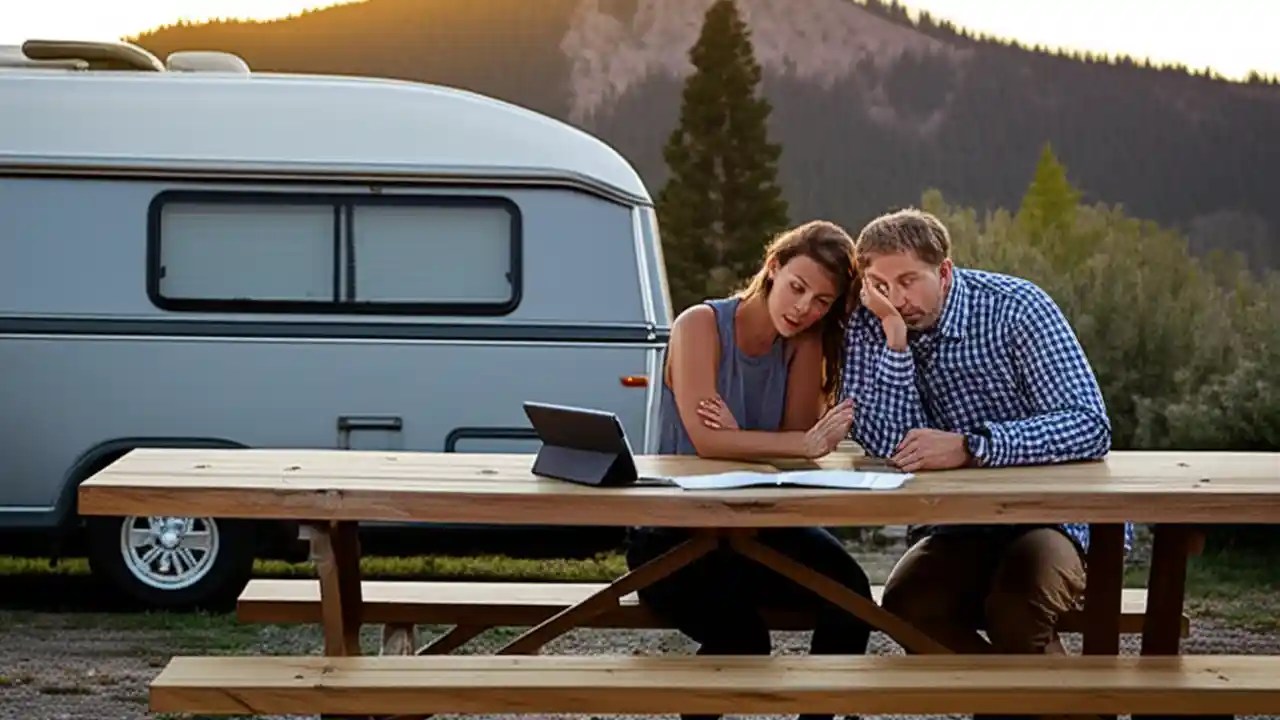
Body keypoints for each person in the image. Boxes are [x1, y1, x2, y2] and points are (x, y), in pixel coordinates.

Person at [840, 207, 1133, 668]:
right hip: (958, 523)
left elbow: (1088, 425)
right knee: (906, 607)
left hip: (1053, 517)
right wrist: (895, 340)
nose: (896, 297)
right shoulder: (871, 323)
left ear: (945, 271)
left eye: (910, 280)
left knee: (1017, 612)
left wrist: (972, 446)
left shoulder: (1017, 307)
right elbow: (891, 446)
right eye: (880, 284)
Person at [625, 219, 874, 720]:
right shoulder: (699, 325)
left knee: (852, 600)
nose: (803, 309)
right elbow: (709, 439)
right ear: (773, 267)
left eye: (822, 301)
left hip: (762, 528)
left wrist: (746, 442)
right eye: (797, 288)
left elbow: (799, 447)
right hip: (674, 535)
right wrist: (757, 443)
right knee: (741, 637)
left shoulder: (804, 344)